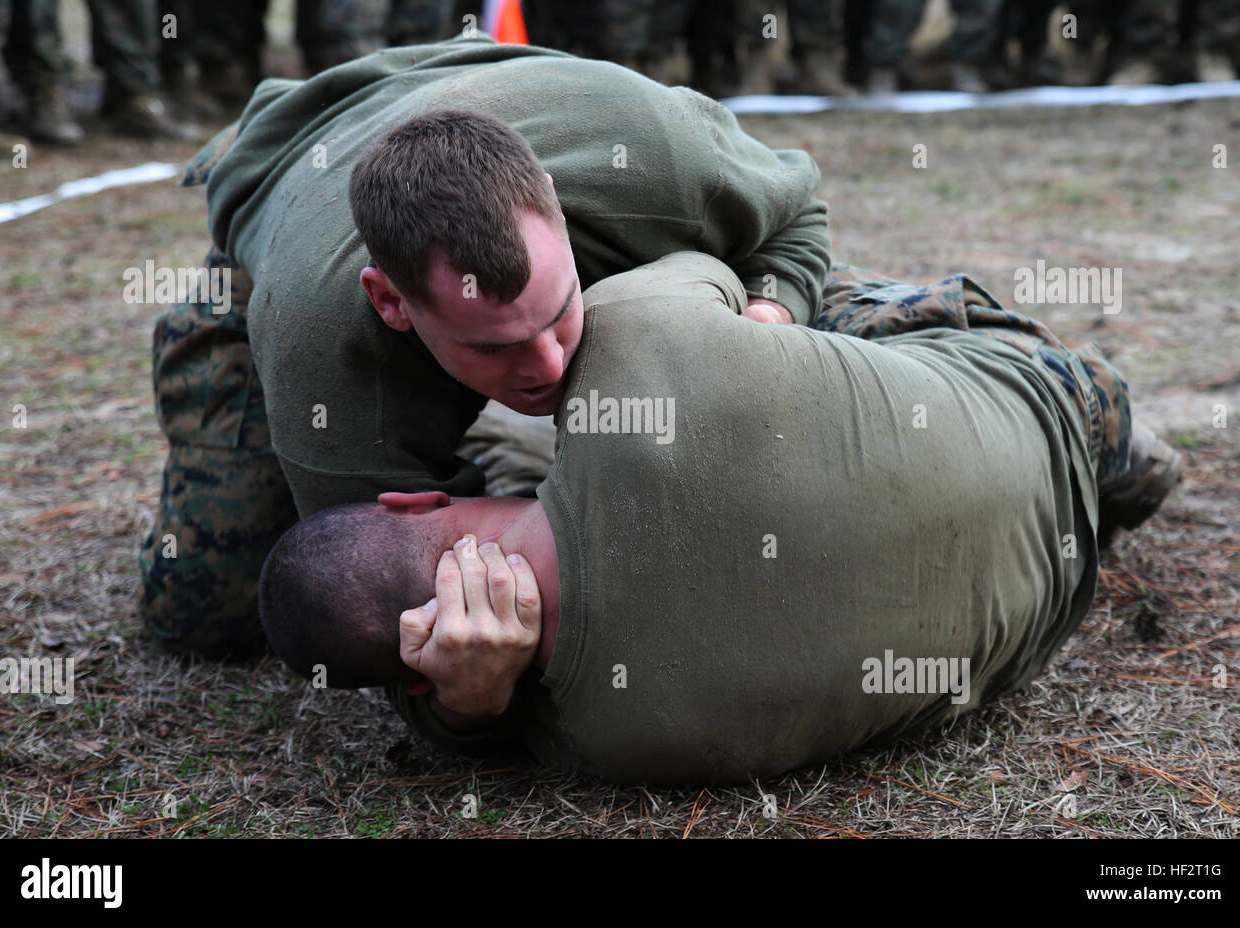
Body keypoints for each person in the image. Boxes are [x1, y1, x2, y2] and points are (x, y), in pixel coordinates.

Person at [257, 251, 1183, 784]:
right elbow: (728, 258)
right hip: (1048, 393)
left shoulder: (601, 740)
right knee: (789, 307)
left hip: (1061, 588)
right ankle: (1128, 455)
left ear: (433, 674)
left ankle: (1108, 488)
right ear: (415, 500)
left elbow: (480, 741)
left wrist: (467, 708)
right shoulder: (625, 334)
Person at [140, 34, 831, 659]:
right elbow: (404, 624)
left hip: (495, 87)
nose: (551, 367)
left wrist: (767, 319)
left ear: (556, 210)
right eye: (495, 348)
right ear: (390, 303)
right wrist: (473, 696)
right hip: (295, 164)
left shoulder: (663, 160)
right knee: (209, 612)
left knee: (829, 341)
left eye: (560, 313)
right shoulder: (329, 364)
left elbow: (796, 220)